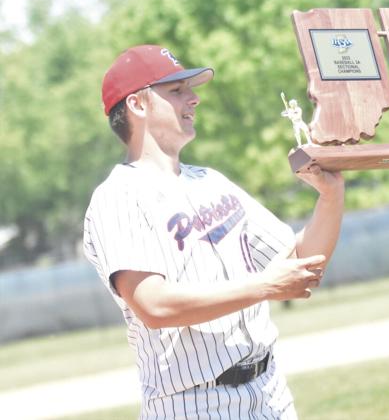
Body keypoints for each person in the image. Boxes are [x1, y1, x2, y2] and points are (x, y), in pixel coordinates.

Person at [83, 44, 345, 418]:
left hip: (269, 392)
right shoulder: (118, 198)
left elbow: (298, 262)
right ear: (138, 105)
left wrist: (331, 197)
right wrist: (264, 286)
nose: (194, 99)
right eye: (176, 91)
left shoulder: (211, 182)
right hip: (194, 403)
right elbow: (154, 305)